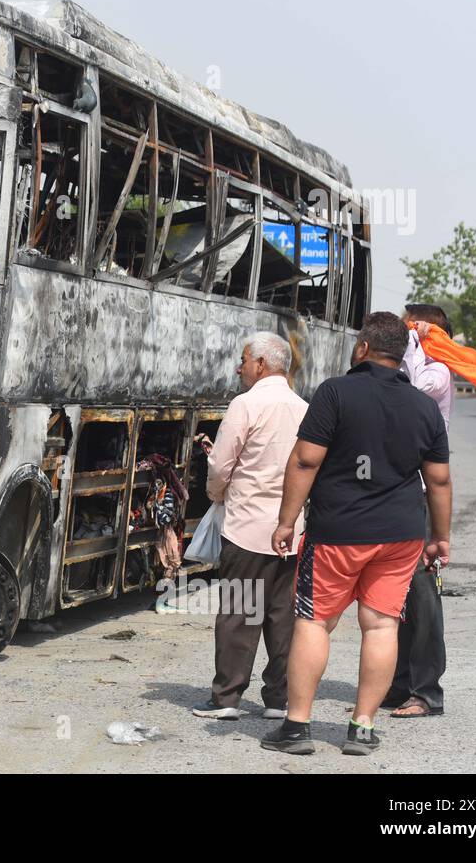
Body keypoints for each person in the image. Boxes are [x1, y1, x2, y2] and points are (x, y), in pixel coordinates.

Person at [261, 312, 452, 756]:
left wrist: (286, 521)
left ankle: (297, 727)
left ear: (364, 348)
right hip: (402, 535)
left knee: (314, 622)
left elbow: (306, 460)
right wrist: (440, 536)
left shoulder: (335, 392)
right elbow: (439, 480)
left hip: (337, 533)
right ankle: (362, 728)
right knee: (382, 624)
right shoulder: (424, 407)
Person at [192, 332, 307, 721]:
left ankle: (227, 698)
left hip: (247, 528)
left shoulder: (246, 404)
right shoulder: (303, 407)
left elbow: (221, 465)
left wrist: (216, 495)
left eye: (243, 359)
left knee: (241, 614)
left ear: (261, 364)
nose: (239, 367)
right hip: (292, 532)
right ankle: (278, 700)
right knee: (284, 617)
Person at [384, 303, 453, 718]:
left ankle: (427, 691)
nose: (406, 330)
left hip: (425, 496)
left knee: (424, 595)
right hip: (400, 491)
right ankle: (399, 682)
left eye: (413, 326)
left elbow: (407, 385)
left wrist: (411, 341)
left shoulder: (438, 373)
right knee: (398, 594)